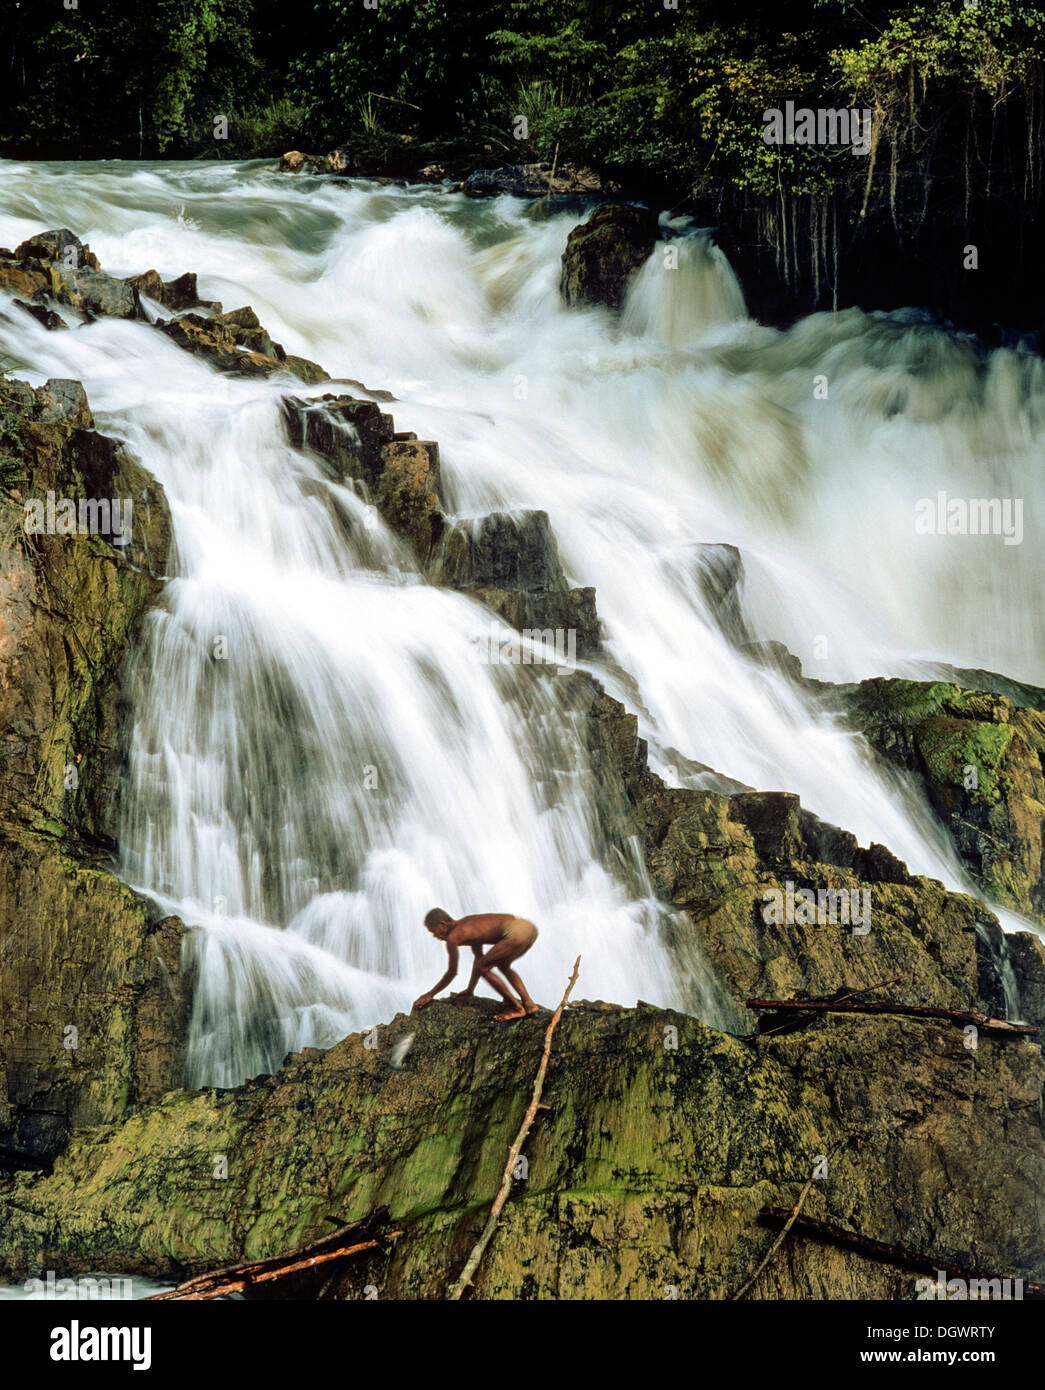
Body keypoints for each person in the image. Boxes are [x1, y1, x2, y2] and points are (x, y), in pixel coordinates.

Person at [413, 908, 539, 1022]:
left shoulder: (453, 938)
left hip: (515, 932)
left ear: (442, 925)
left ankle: (516, 1007)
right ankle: (529, 1004)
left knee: (484, 967)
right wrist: (470, 989)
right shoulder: (467, 923)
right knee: (503, 965)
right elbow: (478, 958)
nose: (436, 936)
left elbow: (452, 972)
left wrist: (430, 994)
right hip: (528, 928)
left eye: (434, 932)